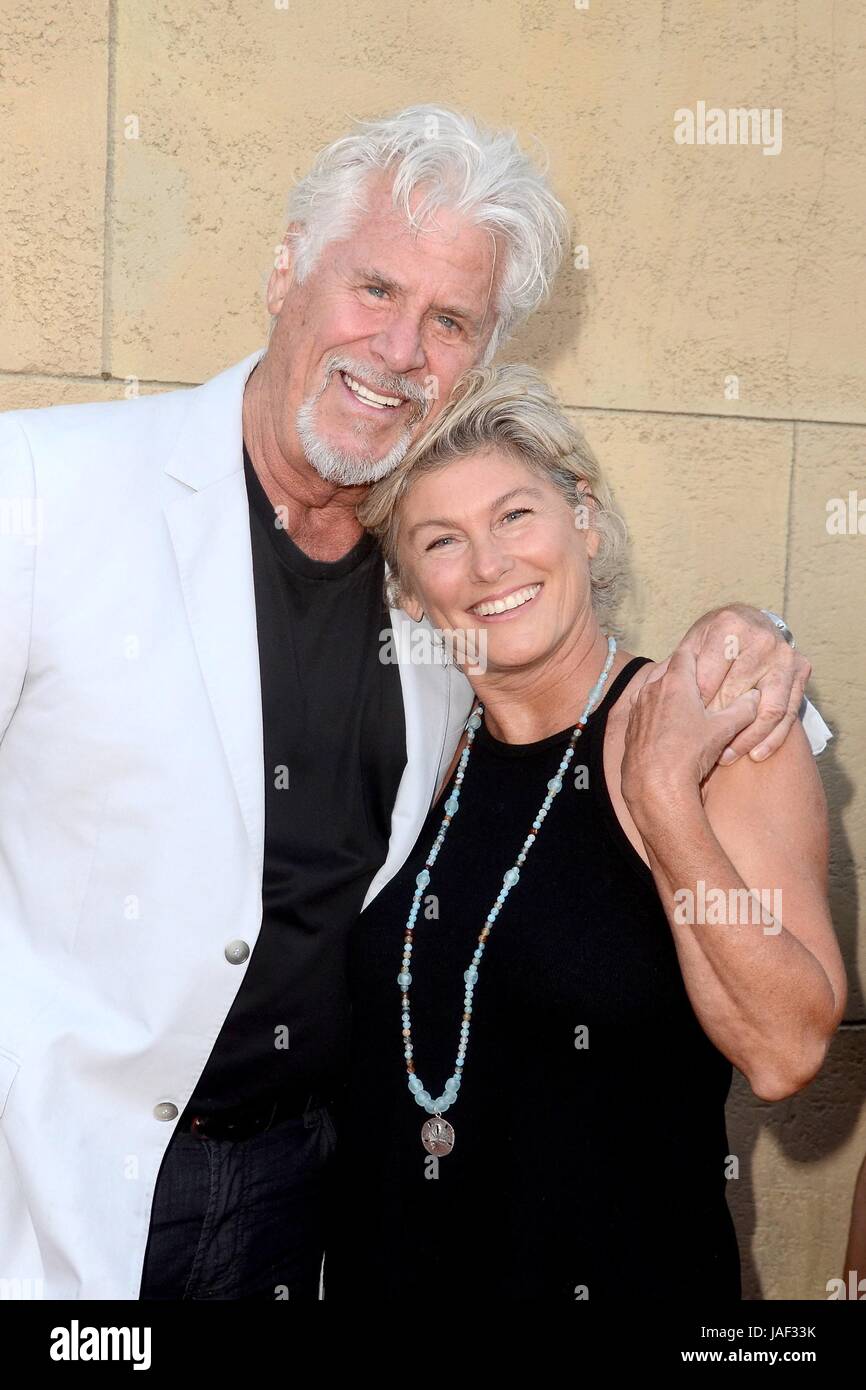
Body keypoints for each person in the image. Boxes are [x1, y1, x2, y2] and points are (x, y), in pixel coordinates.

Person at [0, 105, 828, 1301]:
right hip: (66, 1199)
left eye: (448, 319)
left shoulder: (442, 620)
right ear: (286, 268)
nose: (398, 348)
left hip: (309, 1212)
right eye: (374, 288)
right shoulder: (43, 489)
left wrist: (743, 649)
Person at [323, 362, 846, 1302]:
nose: (490, 566)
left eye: (516, 517)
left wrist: (660, 794)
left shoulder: (721, 732)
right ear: (407, 592)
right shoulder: (420, 751)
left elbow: (786, 1049)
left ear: (585, 519)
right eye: (442, 541)